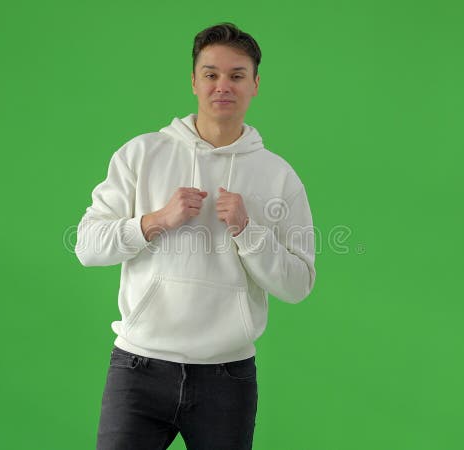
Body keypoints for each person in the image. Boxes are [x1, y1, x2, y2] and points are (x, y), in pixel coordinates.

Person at [76, 22, 316, 450]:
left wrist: (248, 231)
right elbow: (87, 246)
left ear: (255, 84)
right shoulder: (141, 155)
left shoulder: (279, 177)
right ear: (193, 81)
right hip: (138, 367)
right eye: (211, 74)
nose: (223, 85)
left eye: (236, 75)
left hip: (227, 376)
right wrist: (153, 221)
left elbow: (298, 285)